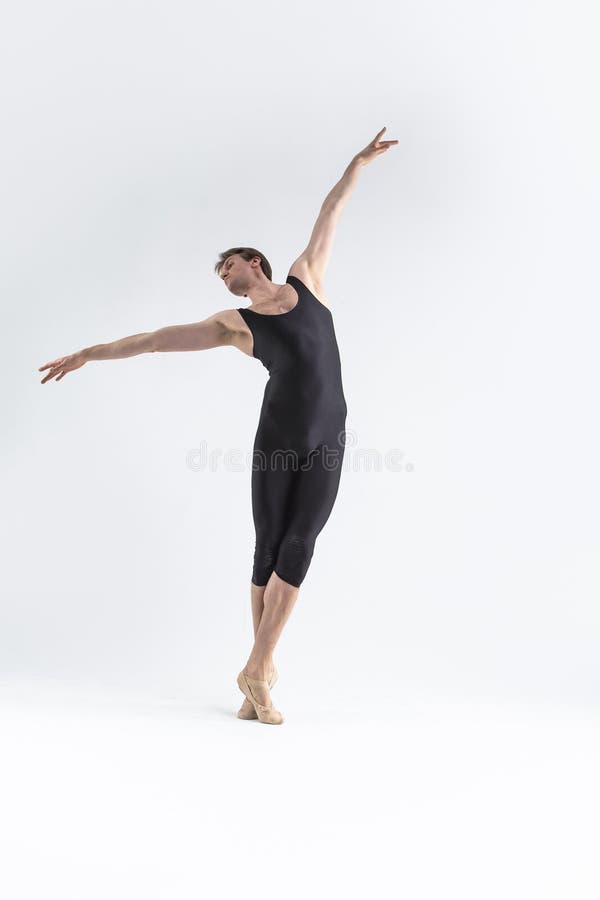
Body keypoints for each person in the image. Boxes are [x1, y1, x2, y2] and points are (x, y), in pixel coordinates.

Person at [38, 127, 398, 724]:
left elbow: (331, 209)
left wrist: (357, 162)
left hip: (329, 438)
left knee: (301, 545)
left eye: (227, 266)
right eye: (221, 273)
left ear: (252, 262)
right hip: (277, 440)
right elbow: (152, 341)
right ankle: (258, 676)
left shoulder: (307, 277)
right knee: (268, 550)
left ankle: (256, 673)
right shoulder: (233, 323)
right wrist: (87, 353)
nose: (223, 276)